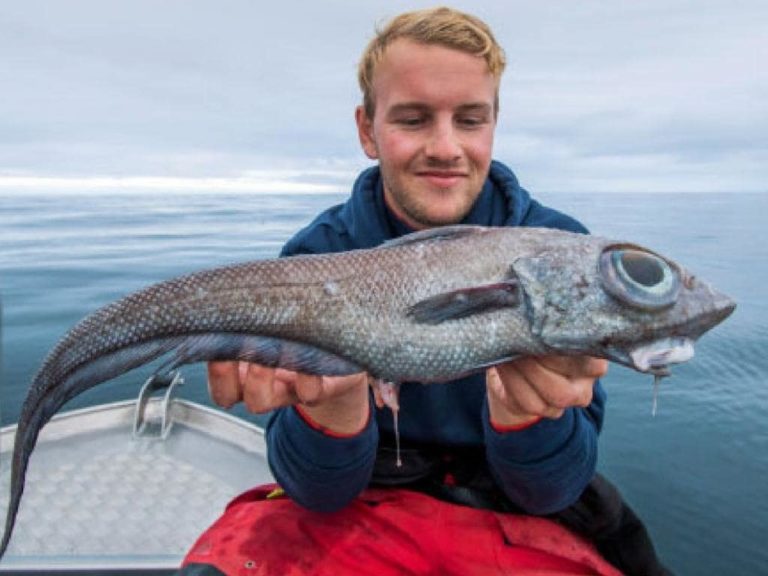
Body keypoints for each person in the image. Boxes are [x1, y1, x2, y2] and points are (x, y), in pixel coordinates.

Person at [180, 7, 670, 576]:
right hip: (363, 505)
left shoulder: (563, 253)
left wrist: (529, 417)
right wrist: (333, 409)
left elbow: (552, 490)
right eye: (412, 120)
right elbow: (316, 491)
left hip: (512, 514)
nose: (445, 147)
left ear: (494, 124)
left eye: (470, 120)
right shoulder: (317, 257)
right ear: (367, 130)